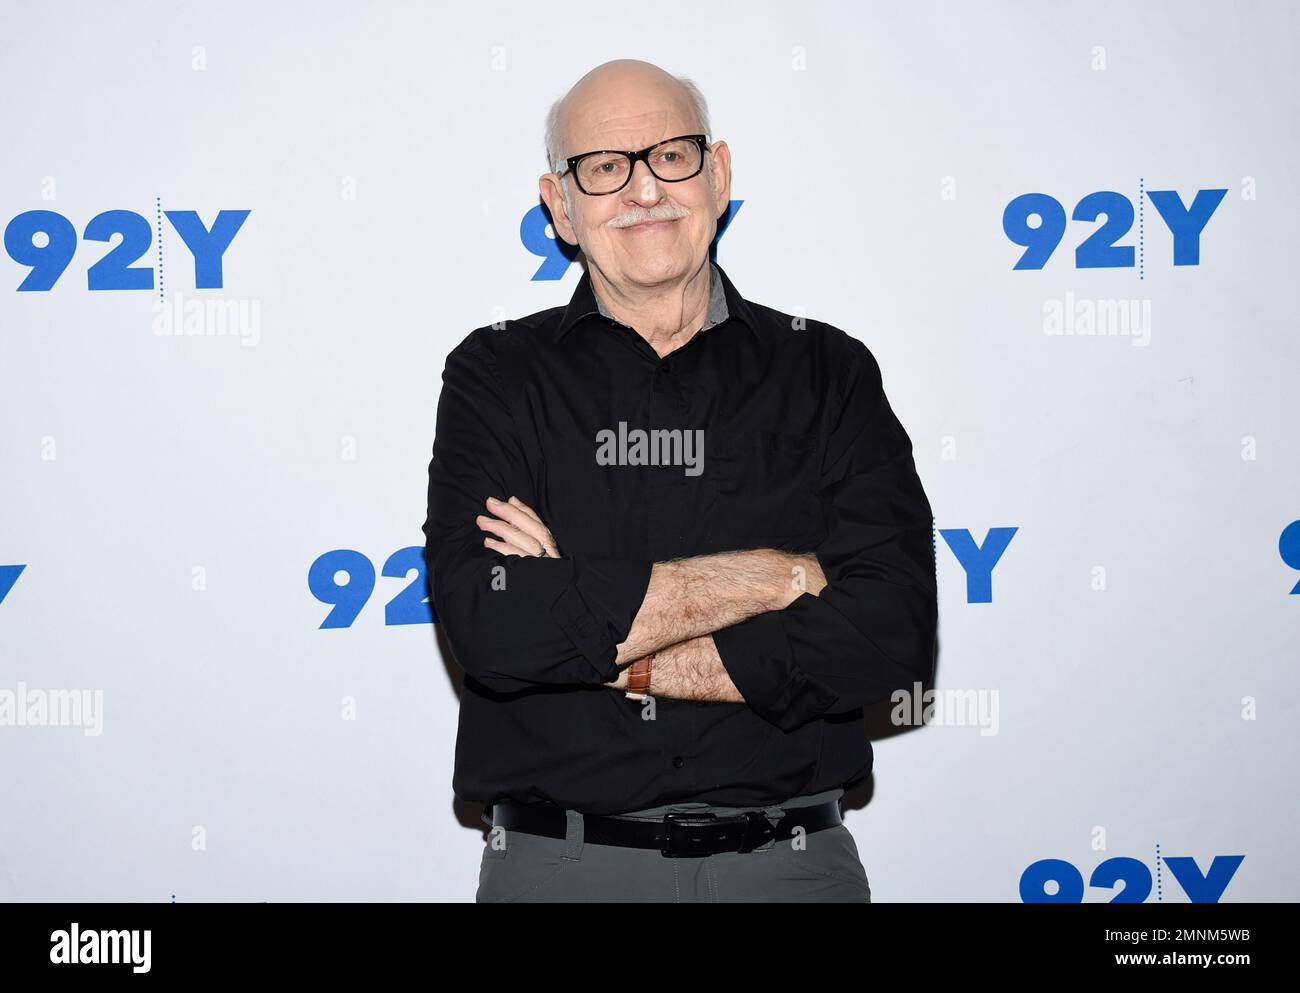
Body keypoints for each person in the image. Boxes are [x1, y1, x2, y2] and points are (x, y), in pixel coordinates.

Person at [423, 59, 937, 902]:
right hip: (563, 872)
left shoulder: (827, 372)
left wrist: (601, 638)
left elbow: (889, 635)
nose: (644, 189)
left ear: (718, 174)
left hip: (791, 867)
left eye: (671, 155)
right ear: (560, 206)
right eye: (603, 166)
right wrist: (770, 577)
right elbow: (494, 623)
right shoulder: (497, 375)